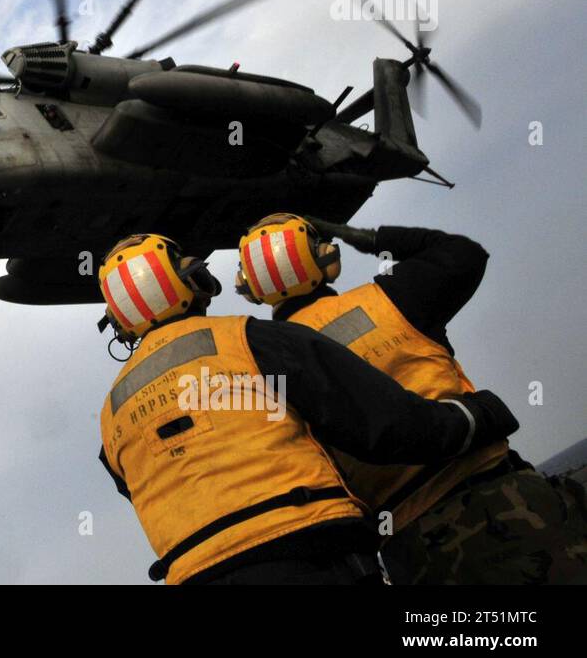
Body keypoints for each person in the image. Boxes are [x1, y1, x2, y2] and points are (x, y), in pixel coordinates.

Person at [96, 232, 518, 585]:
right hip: (310, 554)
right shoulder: (251, 340)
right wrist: (480, 415)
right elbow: (389, 429)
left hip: (195, 575)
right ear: (191, 283)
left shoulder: (110, 415)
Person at [236, 212, 587, 584]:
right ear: (326, 257)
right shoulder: (390, 295)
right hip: (502, 497)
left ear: (250, 288)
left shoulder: (264, 363)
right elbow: (464, 252)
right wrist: (366, 237)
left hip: (412, 547)